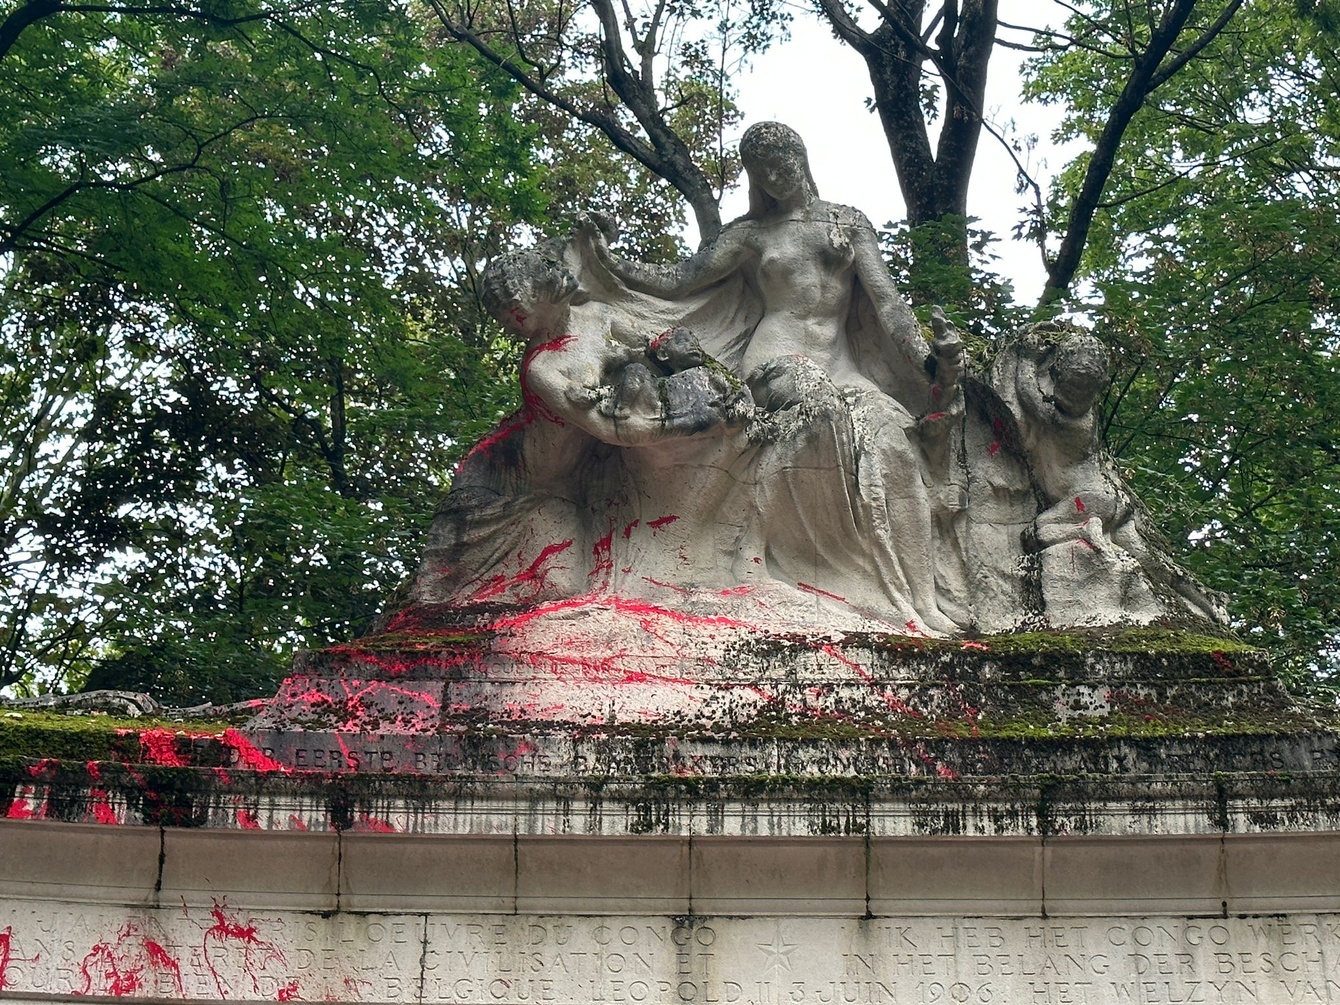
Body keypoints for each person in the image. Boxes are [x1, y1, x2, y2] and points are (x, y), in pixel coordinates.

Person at [576, 121, 964, 633]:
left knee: (893, 439)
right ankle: (831, 571)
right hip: (776, 360)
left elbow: (887, 301)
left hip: (842, 364)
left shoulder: (849, 222)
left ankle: (921, 597)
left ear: (801, 157)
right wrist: (607, 260)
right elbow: (680, 281)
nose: (776, 178)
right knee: (820, 405)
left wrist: (930, 361)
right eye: (763, 173)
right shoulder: (751, 234)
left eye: (782, 164)